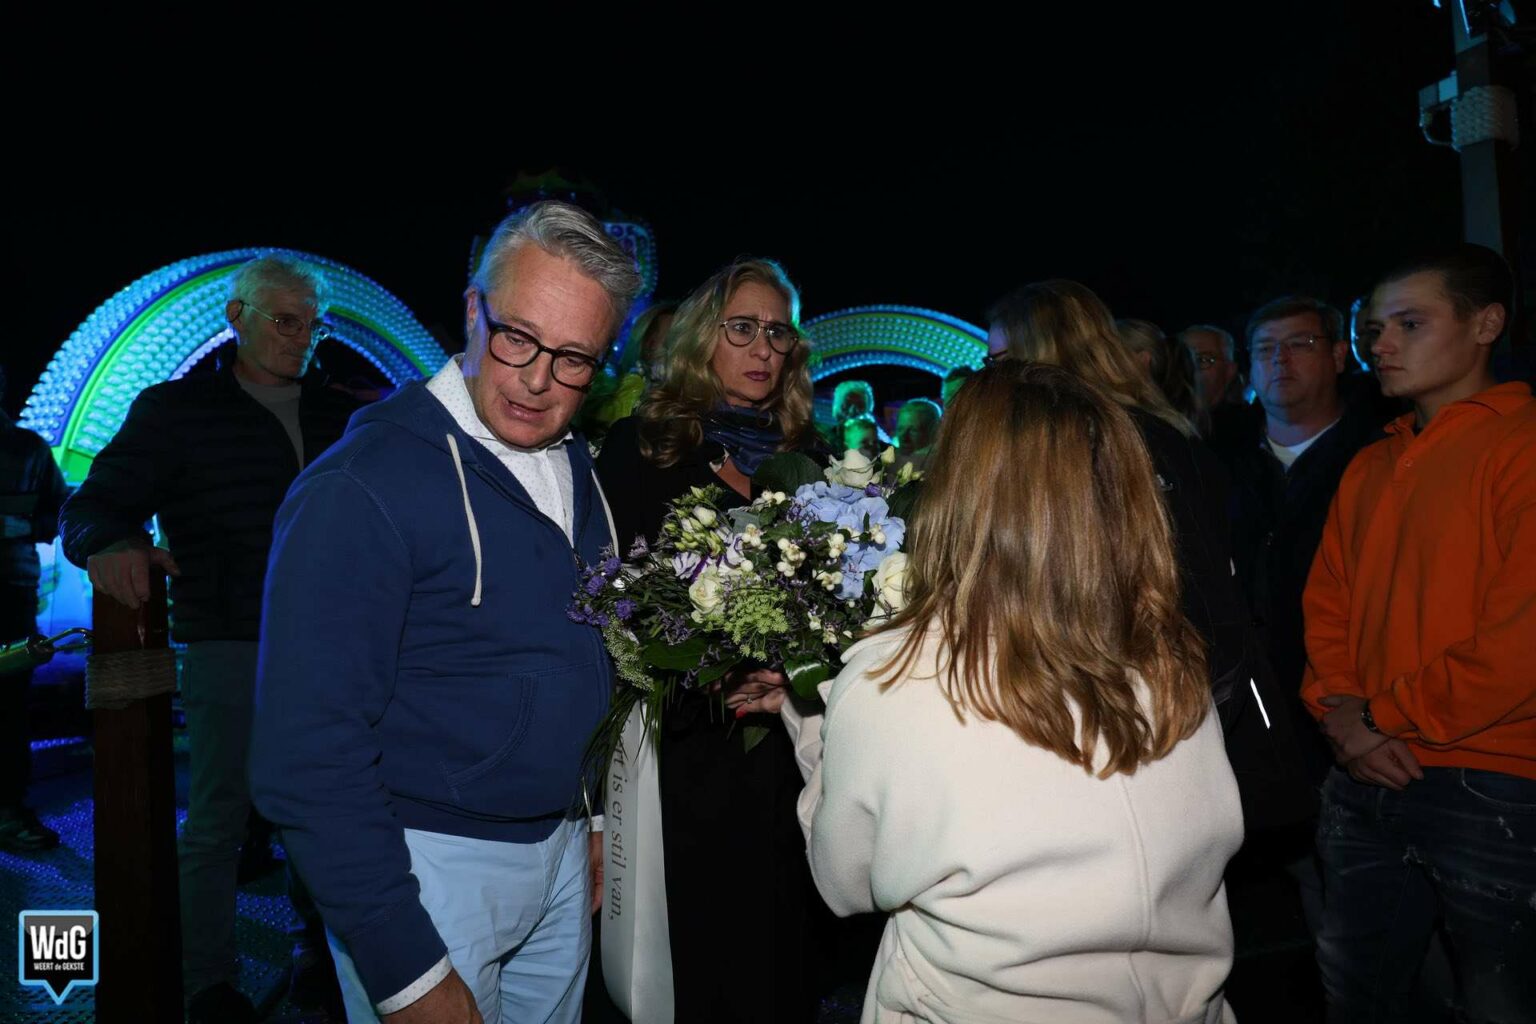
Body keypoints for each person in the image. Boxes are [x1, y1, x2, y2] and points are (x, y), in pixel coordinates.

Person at [250, 201, 641, 1024]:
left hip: (561, 851)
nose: (538, 379)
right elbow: (306, 753)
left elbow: (588, 657)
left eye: (574, 358)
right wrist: (403, 969)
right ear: (472, 310)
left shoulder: (575, 462)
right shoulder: (363, 483)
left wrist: (596, 817)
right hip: (429, 867)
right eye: (517, 337)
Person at [782, 361, 1243, 1023]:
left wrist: (809, 722)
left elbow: (845, 883)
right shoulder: (1171, 661)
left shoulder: (899, 677)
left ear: (957, 489)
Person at [58, 255, 358, 1023]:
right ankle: (209, 984)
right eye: (284, 320)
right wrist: (111, 542)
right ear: (236, 317)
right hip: (230, 639)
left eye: (312, 324)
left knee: (324, 808)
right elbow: (89, 507)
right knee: (221, 817)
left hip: (331, 646)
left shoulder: (342, 416)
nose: (301, 337)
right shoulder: (175, 411)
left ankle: (316, 956)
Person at [1301, 243, 1535, 1023]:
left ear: (1486, 325)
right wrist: (1342, 715)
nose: (1382, 345)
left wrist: (1375, 717)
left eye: (1409, 324)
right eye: (1374, 329)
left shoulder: (1522, 443)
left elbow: (1521, 642)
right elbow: (1326, 606)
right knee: (1357, 995)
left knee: (1501, 1003)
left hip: (1495, 778)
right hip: (1362, 772)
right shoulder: (1371, 463)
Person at [595, 258, 830, 1024]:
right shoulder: (645, 446)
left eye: (778, 332)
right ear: (704, 336)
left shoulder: (818, 459)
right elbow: (615, 601)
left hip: (793, 753)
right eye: (743, 328)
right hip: (688, 749)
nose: (764, 347)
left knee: (781, 962)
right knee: (696, 963)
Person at [0, 364, 70, 853]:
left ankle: (9, 808)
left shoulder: (28, 449)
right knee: (8, 703)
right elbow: (57, 512)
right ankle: (8, 810)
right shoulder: (27, 448)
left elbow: (55, 512)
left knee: (9, 703)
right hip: (14, 586)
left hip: (13, 588)